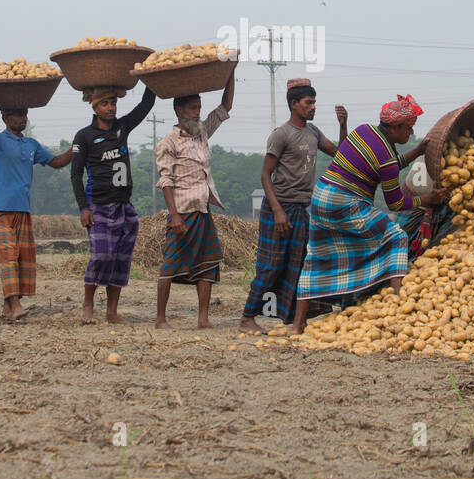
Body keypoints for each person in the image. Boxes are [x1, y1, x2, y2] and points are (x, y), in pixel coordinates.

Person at [289, 94, 447, 335]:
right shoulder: (386, 156)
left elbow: (390, 164)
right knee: (396, 237)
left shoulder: (365, 132)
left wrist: (416, 152)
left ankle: (298, 326)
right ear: (394, 127)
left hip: (322, 196)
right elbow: (395, 203)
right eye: (408, 129)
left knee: (318, 256)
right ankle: (402, 305)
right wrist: (428, 199)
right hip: (345, 202)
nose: (409, 133)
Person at [240, 80, 347, 333]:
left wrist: (343, 126)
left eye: (314, 103)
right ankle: (247, 317)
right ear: (294, 104)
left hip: (300, 208)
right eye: (308, 103)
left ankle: (293, 319)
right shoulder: (282, 134)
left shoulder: (314, 132)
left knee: (298, 264)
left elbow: (341, 154)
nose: (313, 107)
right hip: (279, 206)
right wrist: (277, 210)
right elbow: (266, 175)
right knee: (271, 265)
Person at [0, 76, 72, 321]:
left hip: (22, 208)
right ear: (6, 118)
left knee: (21, 258)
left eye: (25, 114)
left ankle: (8, 308)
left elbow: (57, 162)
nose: (23, 118)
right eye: (18, 115)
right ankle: (15, 304)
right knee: (8, 255)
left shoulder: (31, 145)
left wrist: (77, 148)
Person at [154, 71, 235, 329]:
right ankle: (160, 318)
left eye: (199, 108)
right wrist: (174, 215)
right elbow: (166, 180)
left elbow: (225, 107)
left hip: (203, 209)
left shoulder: (201, 133)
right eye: (192, 108)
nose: (197, 112)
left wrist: (230, 71)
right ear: (179, 111)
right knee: (170, 263)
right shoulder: (169, 143)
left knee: (207, 264)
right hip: (183, 211)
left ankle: (203, 318)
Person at [69, 84, 156, 323]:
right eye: (105, 104)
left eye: (113, 103)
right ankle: (88, 306)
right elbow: (76, 175)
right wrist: (83, 207)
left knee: (121, 259)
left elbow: (146, 105)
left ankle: (112, 311)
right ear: (94, 107)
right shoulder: (84, 136)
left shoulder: (122, 128)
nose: (110, 108)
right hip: (98, 205)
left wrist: (148, 78)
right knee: (100, 257)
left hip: (124, 205)